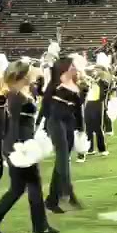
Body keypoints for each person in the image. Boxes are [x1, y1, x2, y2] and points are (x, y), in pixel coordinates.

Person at [0, 60, 57, 233]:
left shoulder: (23, 92)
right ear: (23, 75)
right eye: (30, 71)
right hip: (20, 147)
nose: (33, 73)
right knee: (32, 184)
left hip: (24, 144)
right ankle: (39, 226)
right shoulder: (15, 95)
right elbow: (13, 123)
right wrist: (17, 148)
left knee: (18, 188)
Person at [41, 57, 84, 213]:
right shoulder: (54, 85)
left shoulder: (77, 86)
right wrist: (42, 126)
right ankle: (68, 192)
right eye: (72, 65)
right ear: (64, 68)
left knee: (63, 160)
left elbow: (78, 110)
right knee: (62, 157)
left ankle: (52, 200)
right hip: (55, 121)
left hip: (69, 124)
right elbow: (45, 106)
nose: (74, 68)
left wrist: (81, 128)